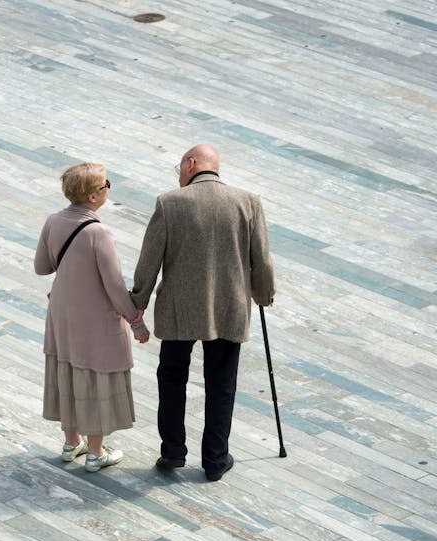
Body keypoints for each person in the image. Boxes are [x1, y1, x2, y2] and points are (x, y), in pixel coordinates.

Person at [130, 144, 275, 481]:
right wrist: (263, 295)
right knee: (222, 384)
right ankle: (215, 459)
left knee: (172, 377)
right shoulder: (248, 201)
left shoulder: (170, 203)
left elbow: (149, 259)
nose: (179, 177)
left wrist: (138, 301)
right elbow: (262, 259)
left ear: (191, 164)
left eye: (179, 169)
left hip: (180, 309)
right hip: (230, 307)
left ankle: (173, 452)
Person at [35, 163, 149, 472]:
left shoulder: (53, 221)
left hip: (61, 310)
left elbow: (42, 267)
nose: (107, 189)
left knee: (67, 368)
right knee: (94, 376)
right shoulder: (98, 232)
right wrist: (136, 322)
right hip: (94, 318)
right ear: (93, 196)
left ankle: (72, 443)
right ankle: (96, 452)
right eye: (105, 185)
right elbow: (114, 286)